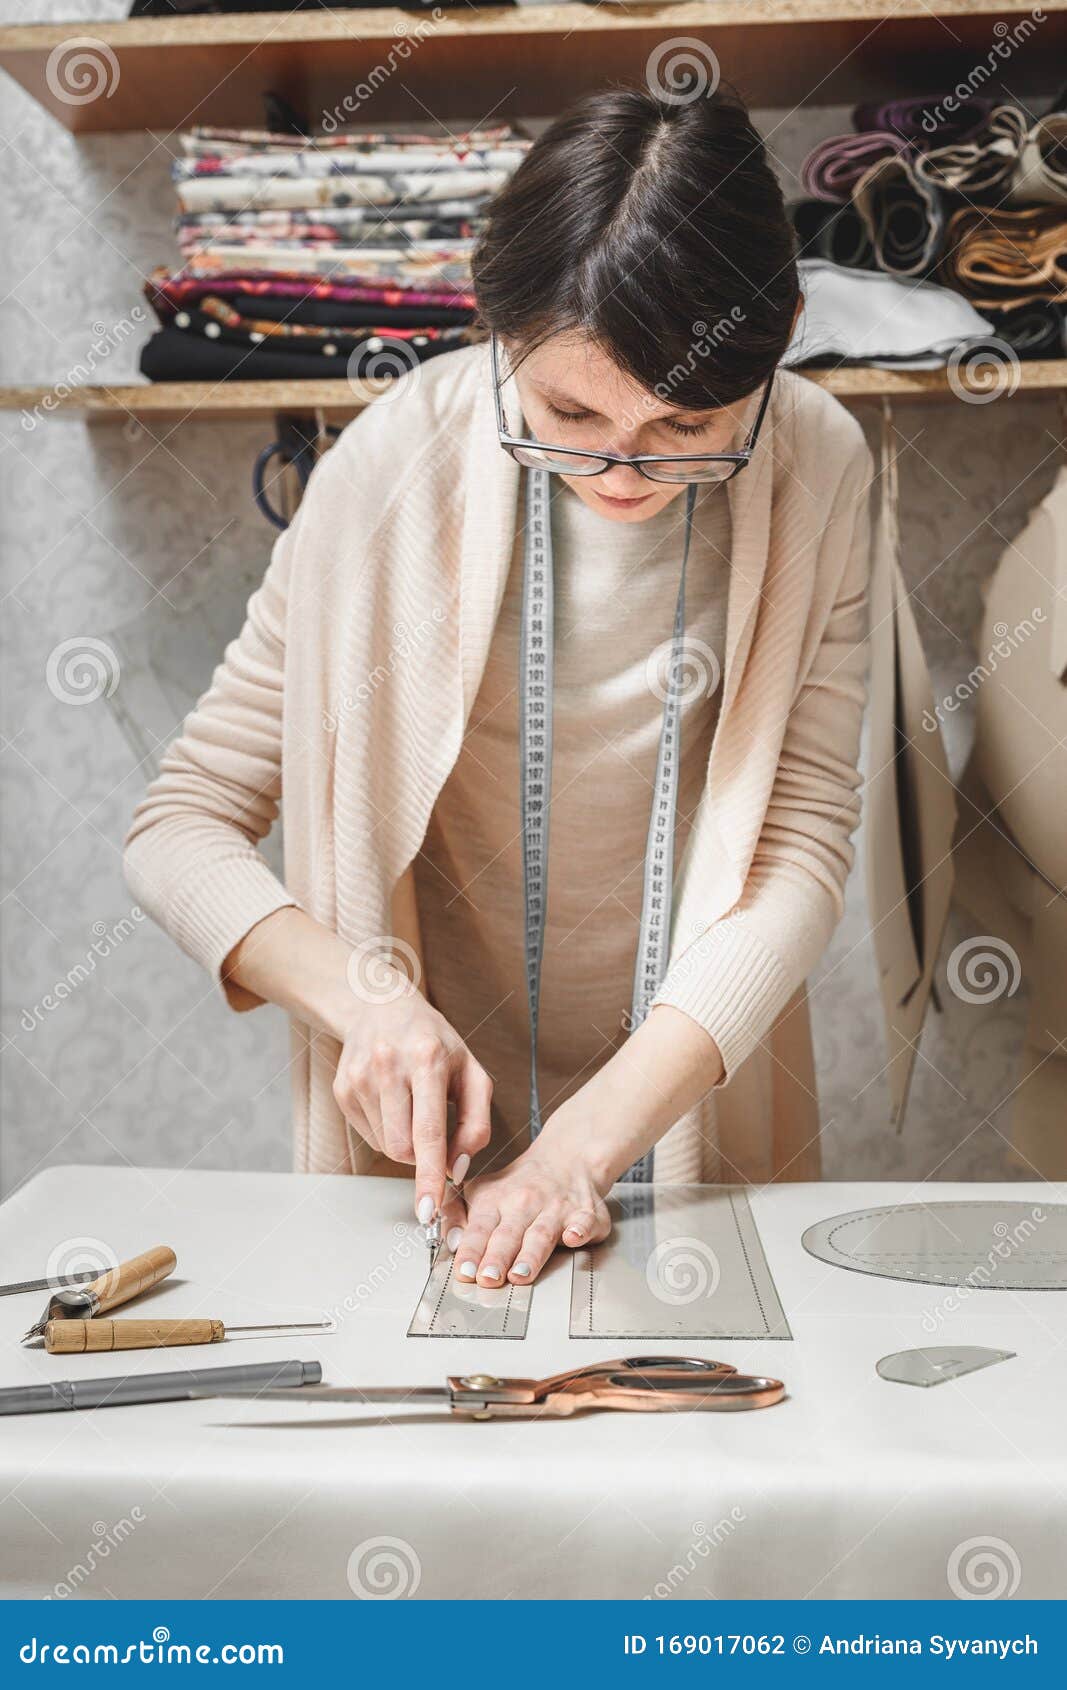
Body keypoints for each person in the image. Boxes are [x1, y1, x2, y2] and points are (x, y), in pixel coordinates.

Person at [125, 85, 873, 1289]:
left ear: (781, 330)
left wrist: (587, 1139)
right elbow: (178, 826)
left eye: (687, 426)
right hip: (423, 1164)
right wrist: (362, 1002)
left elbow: (799, 843)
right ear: (496, 325)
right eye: (567, 410)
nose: (621, 470)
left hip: (688, 1115)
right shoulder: (381, 468)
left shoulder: (817, 464)